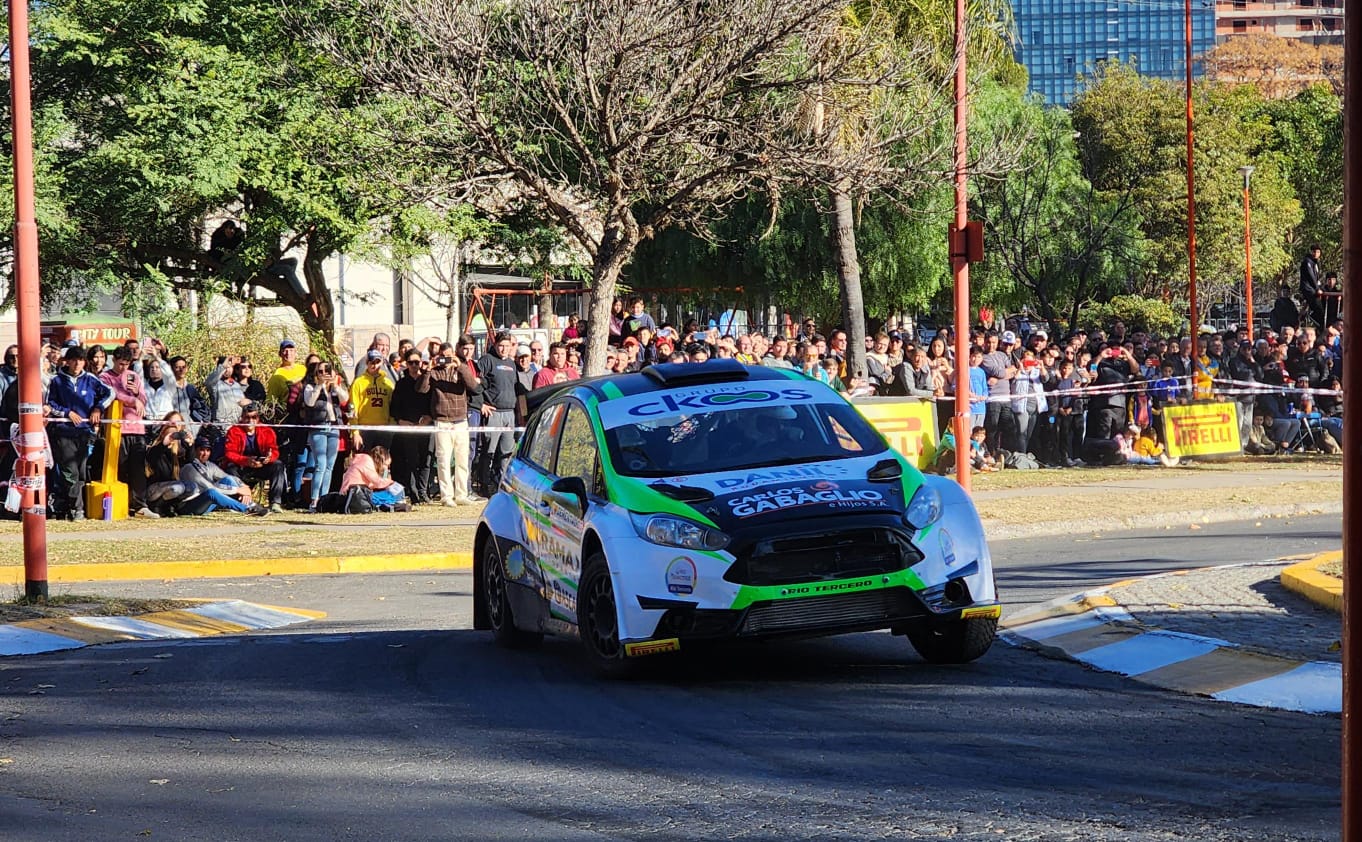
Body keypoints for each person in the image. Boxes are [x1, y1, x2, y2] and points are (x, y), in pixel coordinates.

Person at [46, 346, 112, 520]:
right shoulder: (57, 381)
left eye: (81, 360)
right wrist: (67, 413)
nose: (77, 364)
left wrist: (98, 408)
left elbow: (110, 393)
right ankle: (77, 509)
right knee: (70, 471)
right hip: (63, 432)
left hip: (84, 432)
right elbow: (50, 403)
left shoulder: (91, 379)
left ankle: (72, 506)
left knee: (81, 472)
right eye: (74, 360)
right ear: (67, 361)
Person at [98, 345, 158, 518]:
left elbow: (144, 399)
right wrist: (132, 400)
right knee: (120, 467)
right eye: (120, 364)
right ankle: (120, 502)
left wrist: (137, 394)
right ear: (114, 360)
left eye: (126, 364)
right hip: (118, 429)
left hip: (137, 429)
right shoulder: (105, 377)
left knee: (138, 469)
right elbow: (112, 394)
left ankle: (140, 505)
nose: (123, 368)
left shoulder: (134, 376)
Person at [421, 341, 482, 507]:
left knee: (462, 460)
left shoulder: (461, 370)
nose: (446, 360)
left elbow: (475, 387)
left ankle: (461, 494)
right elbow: (421, 389)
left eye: (449, 356)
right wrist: (428, 369)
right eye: (443, 357)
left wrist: (460, 366)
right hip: (442, 421)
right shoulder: (434, 372)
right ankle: (446, 495)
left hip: (461, 420)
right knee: (443, 460)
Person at [299, 360, 348, 512]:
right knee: (320, 464)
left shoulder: (334, 388)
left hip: (334, 428)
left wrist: (335, 385)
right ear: (315, 374)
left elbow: (345, 399)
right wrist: (320, 385)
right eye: (320, 371)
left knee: (329, 466)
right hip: (318, 428)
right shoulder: (310, 387)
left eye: (327, 370)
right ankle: (314, 499)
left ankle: (325, 499)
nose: (324, 374)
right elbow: (310, 402)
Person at [222, 402, 288, 512]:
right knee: (230, 467)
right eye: (247, 417)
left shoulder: (267, 431)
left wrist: (269, 458)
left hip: (261, 465)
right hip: (242, 466)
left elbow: (274, 450)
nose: (250, 420)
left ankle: (275, 502)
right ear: (242, 418)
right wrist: (245, 461)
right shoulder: (234, 431)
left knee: (278, 465)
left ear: (258, 418)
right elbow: (229, 453)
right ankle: (237, 501)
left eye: (254, 417)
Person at [475, 332, 519, 495]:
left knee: (506, 453)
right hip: (493, 413)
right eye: (501, 345)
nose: (504, 349)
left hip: (509, 414)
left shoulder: (511, 363)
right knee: (489, 451)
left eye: (507, 346)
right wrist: (481, 404)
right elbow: (476, 384)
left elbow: (515, 387)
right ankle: (484, 484)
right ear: (495, 345)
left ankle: (501, 483)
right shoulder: (486, 360)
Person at [390, 349, 435, 505]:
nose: (415, 365)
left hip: (426, 426)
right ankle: (414, 493)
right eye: (411, 363)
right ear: (406, 364)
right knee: (411, 461)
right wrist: (401, 421)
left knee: (426, 459)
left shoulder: (428, 380)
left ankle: (423, 492)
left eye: (417, 362)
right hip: (408, 427)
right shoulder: (401, 383)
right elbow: (394, 407)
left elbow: (434, 403)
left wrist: (429, 417)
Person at [182, 434, 269, 514]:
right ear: (195, 450)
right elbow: (209, 488)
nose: (205, 454)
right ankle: (246, 509)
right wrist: (237, 490)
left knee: (229, 480)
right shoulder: (188, 468)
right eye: (202, 450)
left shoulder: (209, 465)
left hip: (208, 504)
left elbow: (228, 477)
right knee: (212, 492)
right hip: (191, 505)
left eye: (208, 450)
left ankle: (250, 504)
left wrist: (243, 487)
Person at [350, 350, 395, 454]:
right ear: (367, 363)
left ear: (382, 362)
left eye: (377, 362)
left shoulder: (388, 383)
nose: (375, 365)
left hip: (384, 429)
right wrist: (355, 432)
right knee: (364, 461)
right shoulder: (358, 382)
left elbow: (393, 406)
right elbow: (352, 408)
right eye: (372, 362)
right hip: (364, 428)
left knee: (381, 463)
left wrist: (391, 427)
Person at [339, 445, 408, 511]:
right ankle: (399, 502)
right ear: (378, 460)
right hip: (354, 495)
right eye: (385, 465)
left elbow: (372, 485)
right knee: (394, 491)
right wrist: (391, 482)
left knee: (390, 492)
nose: (386, 468)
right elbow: (378, 483)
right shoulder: (366, 462)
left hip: (351, 494)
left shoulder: (362, 461)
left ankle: (398, 502)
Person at [1300, 246, 1324, 327]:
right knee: (1319, 309)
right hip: (1309, 289)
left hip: (1312, 289)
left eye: (1318, 252)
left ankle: (1305, 316)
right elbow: (1311, 276)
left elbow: (1316, 278)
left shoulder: (1314, 263)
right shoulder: (1307, 262)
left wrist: (1320, 288)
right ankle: (1307, 317)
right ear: (1311, 252)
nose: (1316, 254)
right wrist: (1317, 289)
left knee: (1319, 308)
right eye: (1314, 252)